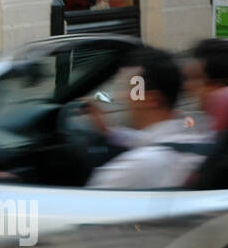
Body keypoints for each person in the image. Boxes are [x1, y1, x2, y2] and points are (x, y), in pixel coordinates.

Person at [86, 47, 210, 189]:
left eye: (130, 90)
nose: (124, 97)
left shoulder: (132, 169)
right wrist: (108, 131)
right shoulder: (196, 134)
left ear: (151, 99)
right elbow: (145, 139)